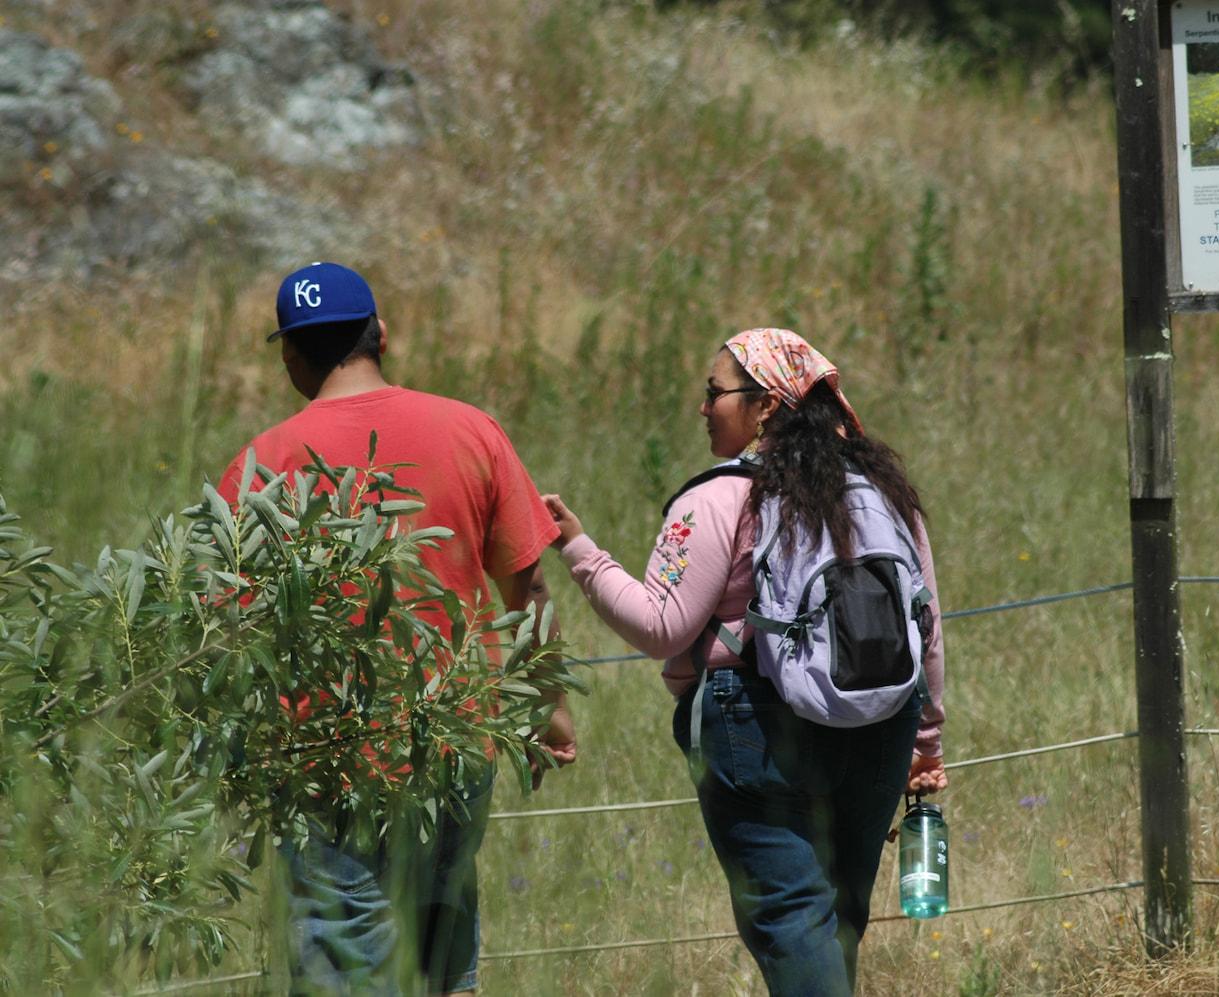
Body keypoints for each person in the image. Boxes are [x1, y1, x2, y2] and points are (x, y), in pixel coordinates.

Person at [544, 327, 946, 996]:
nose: (703, 408)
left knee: (792, 916)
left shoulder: (716, 497)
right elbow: (926, 624)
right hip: (883, 720)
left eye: (714, 393)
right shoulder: (883, 489)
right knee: (837, 915)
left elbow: (659, 624)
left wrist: (582, 551)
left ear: (765, 407)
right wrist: (926, 739)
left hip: (755, 724)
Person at [215, 261, 576, 996]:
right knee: (441, 937)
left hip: (327, 759)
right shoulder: (472, 429)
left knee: (345, 956)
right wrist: (548, 706)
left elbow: (231, 633)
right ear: (382, 333)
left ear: (291, 355)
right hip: (455, 739)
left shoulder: (259, 466)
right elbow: (528, 584)